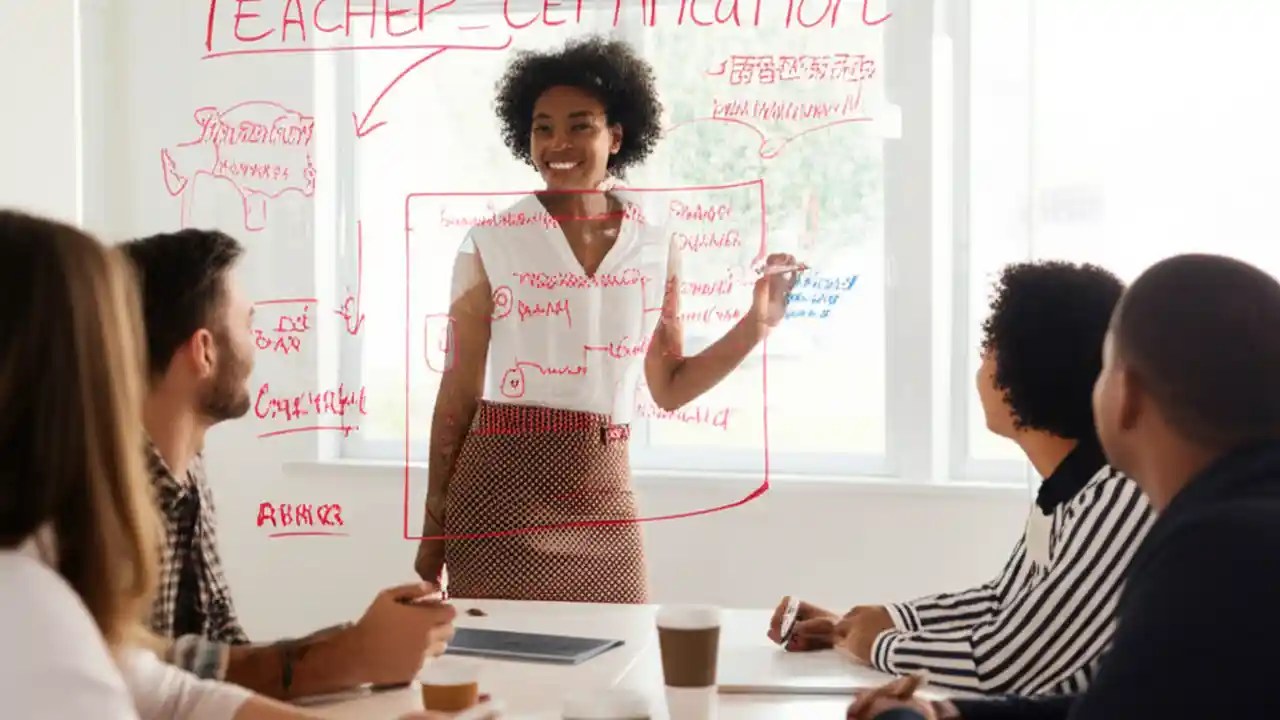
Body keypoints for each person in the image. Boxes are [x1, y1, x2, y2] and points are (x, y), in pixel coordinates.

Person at [0, 209, 446, 719]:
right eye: (105, 345)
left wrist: (355, 649)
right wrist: (351, 654)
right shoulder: (38, 570)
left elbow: (169, 683)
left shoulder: (185, 477)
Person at [412, 35, 803, 603]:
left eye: (580, 126)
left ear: (616, 136)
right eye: (542, 128)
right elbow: (457, 394)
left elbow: (668, 388)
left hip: (605, 494)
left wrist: (756, 324)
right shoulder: (490, 242)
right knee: (505, 678)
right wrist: (433, 535)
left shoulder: (656, 243)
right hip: (497, 491)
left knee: (623, 672)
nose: (558, 143)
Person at [849, 253, 1280, 719]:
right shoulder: (1237, 519)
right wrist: (949, 714)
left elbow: (1018, 663)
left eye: (1108, 367)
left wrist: (897, 696)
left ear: (1127, 394)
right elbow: (1128, 703)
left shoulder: (1209, 544)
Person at [770, 261, 1156, 696]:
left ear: (1026, 371)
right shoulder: (1073, 490)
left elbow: (1006, 662)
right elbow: (1002, 601)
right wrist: (873, 622)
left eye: (988, 352)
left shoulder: (1121, 497)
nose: (979, 374)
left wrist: (878, 645)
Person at [119, 229, 457, 700]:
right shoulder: (106, 495)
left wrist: (367, 643)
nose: (258, 348)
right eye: (249, 324)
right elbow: (140, 678)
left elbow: (218, 651)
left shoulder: (188, 473)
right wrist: (353, 654)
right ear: (205, 350)